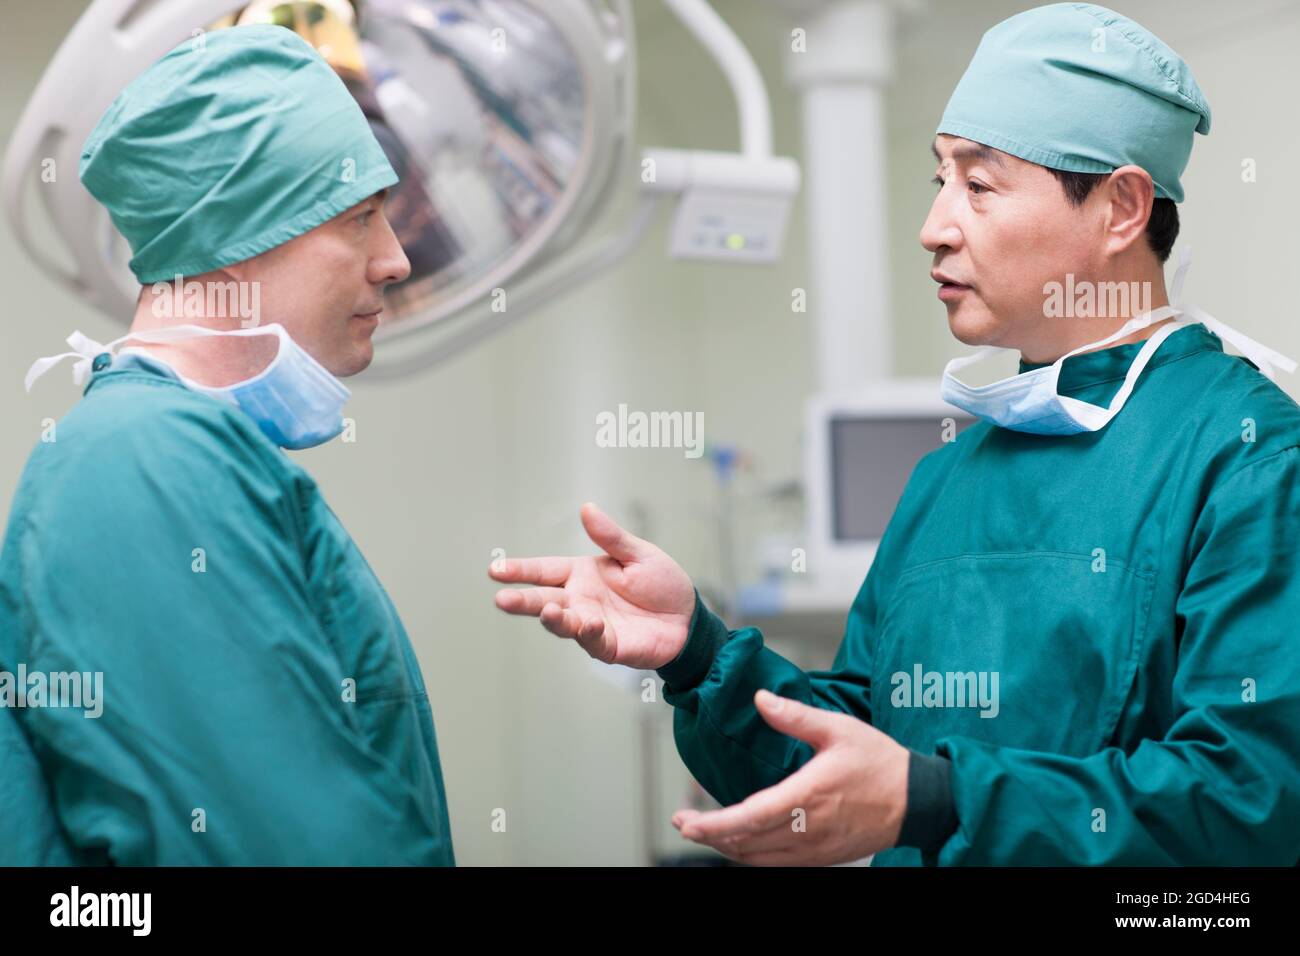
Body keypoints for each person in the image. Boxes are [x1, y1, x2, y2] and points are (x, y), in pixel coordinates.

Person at [488, 3, 1300, 865]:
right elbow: (851, 756)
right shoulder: (948, 477)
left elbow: (1251, 802)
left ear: (1122, 208)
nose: (935, 226)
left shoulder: (1248, 459)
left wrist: (946, 801)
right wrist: (697, 654)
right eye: (938, 180)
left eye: (979, 186)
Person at [0, 25, 454, 865]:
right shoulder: (140, 461)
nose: (396, 260)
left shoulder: (176, 453)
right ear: (237, 236)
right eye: (360, 217)